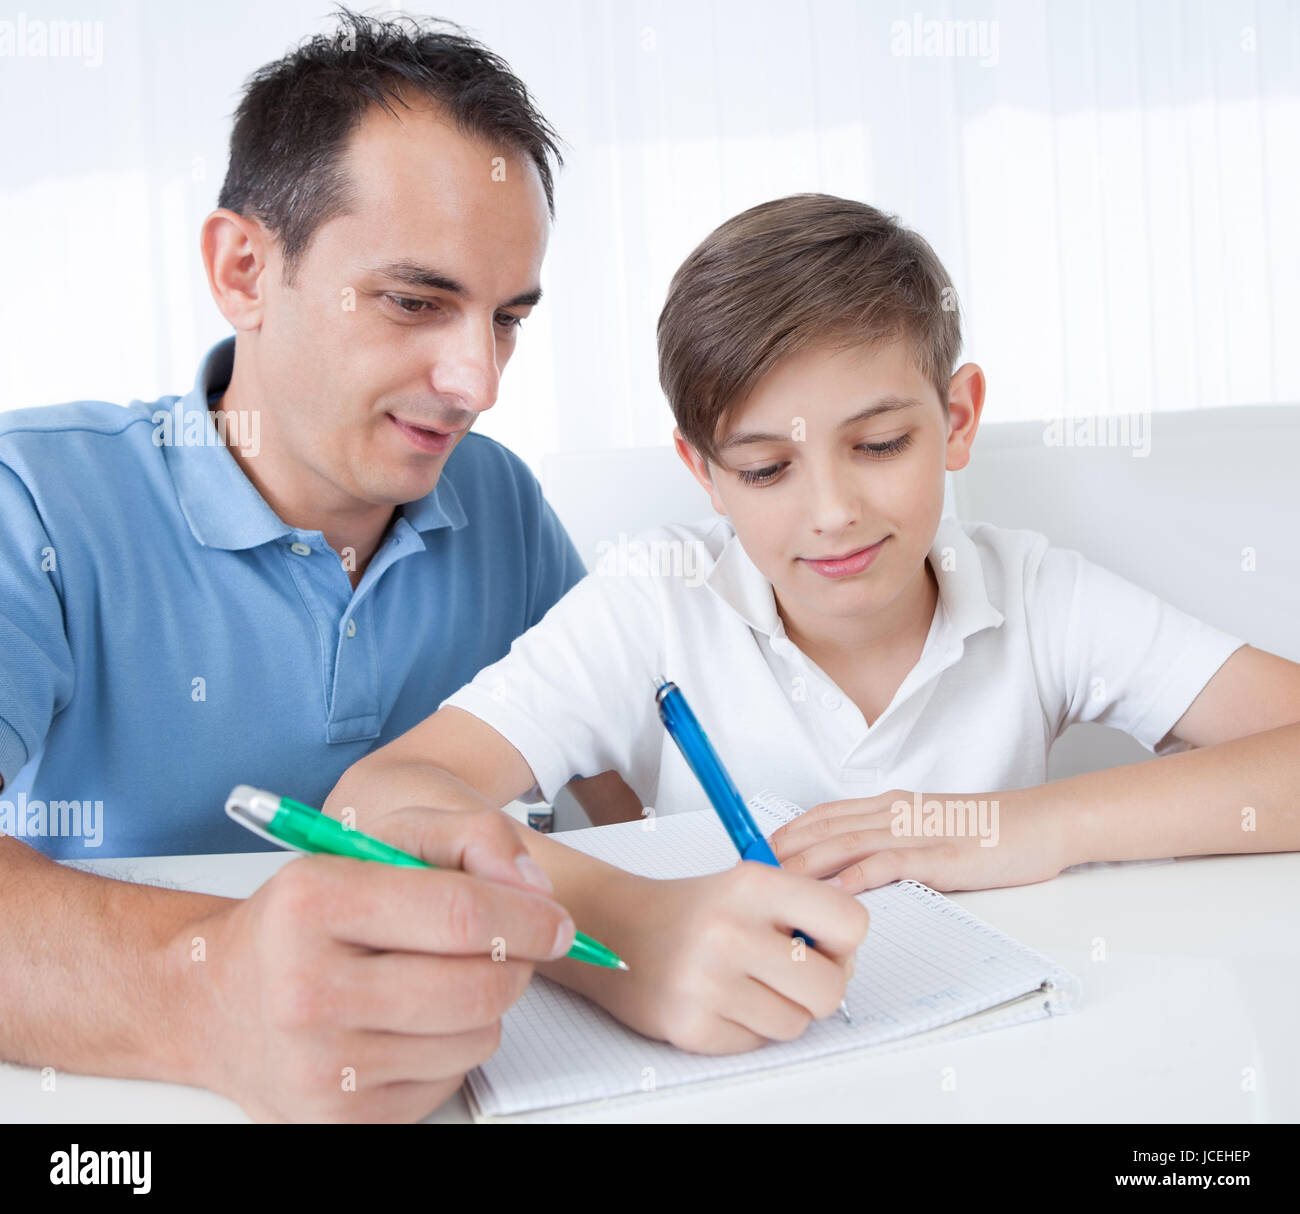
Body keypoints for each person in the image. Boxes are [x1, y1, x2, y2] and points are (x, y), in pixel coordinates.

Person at [329, 191, 1300, 1053]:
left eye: (878, 443)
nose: (831, 509)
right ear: (700, 469)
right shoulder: (654, 598)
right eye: (764, 468)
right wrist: (629, 920)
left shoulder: (1036, 593)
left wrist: (1017, 827)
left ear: (957, 419)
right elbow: (374, 801)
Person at [0, 10, 638, 1122]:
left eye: (508, 319)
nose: (476, 381)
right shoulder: (34, 497)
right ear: (245, 268)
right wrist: (203, 988)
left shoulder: (499, 498)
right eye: (414, 299)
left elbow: (635, 804)